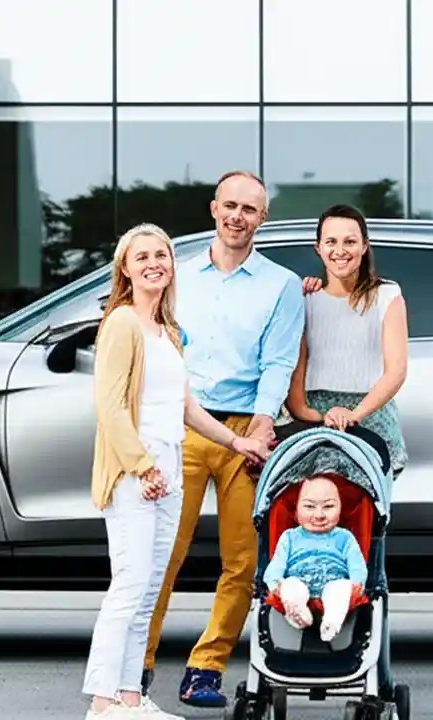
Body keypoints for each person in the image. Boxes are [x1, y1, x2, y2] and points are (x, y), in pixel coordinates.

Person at [83, 222, 271, 720]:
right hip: (133, 470)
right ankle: (102, 704)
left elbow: (185, 406)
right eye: (142, 256)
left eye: (162, 255)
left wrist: (237, 441)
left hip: (167, 467)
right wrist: (142, 466)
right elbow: (110, 408)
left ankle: (130, 698)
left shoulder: (167, 331)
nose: (154, 263)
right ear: (125, 268)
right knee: (127, 585)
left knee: (147, 589)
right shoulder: (120, 322)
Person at [141, 170, 306, 708]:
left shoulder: (281, 285)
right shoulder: (177, 278)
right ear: (214, 209)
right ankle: (135, 664)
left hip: (245, 431)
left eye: (250, 209)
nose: (239, 216)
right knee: (162, 551)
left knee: (242, 559)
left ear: (263, 218)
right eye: (230, 205)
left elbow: (279, 361)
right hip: (183, 426)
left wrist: (263, 424)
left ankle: (206, 667)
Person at [288, 204, 409, 474]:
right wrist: (321, 416)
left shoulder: (386, 296)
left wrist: (354, 415)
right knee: (317, 509)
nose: (340, 250)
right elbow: (295, 382)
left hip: (371, 418)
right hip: (317, 423)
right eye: (331, 241)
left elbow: (396, 370)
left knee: (364, 510)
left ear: (364, 246)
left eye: (350, 241)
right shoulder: (304, 300)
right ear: (318, 248)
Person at [263, 473, 368, 642]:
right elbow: (277, 564)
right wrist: (274, 582)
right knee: (289, 586)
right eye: (310, 507)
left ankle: (332, 621)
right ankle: (296, 611)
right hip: (298, 581)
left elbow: (357, 565)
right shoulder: (289, 537)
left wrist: (358, 583)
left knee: (341, 589)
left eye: (328, 507)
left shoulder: (344, 537)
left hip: (333, 583)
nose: (319, 515)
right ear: (296, 510)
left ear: (340, 508)